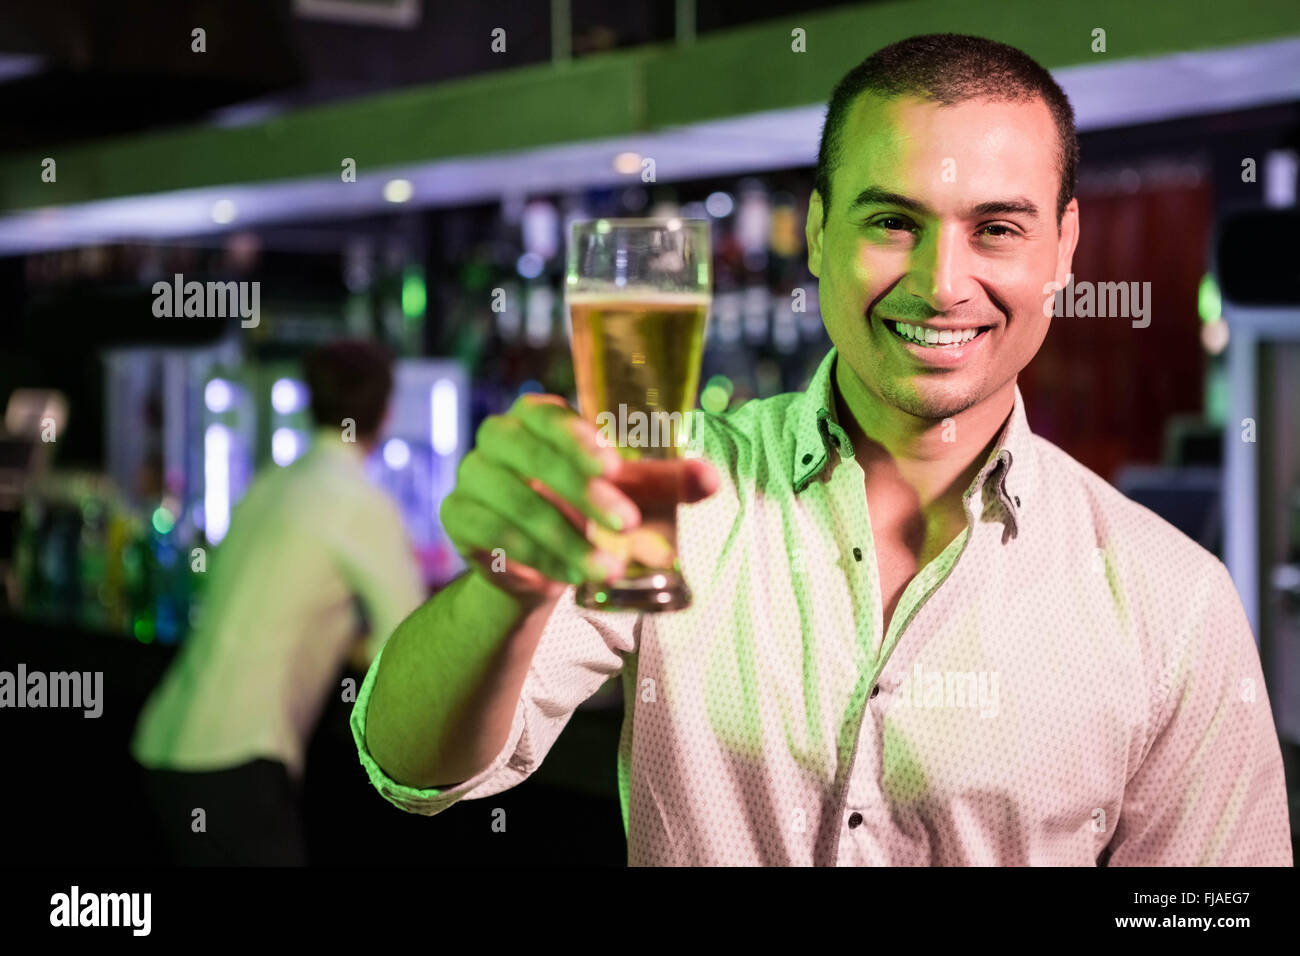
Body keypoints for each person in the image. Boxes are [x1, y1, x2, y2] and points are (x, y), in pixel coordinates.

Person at [352, 35, 1293, 865]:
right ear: (816, 234)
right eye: (893, 222)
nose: (942, 283)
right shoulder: (666, 494)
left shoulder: (1175, 600)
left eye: (997, 229)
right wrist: (506, 583)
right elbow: (412, 767)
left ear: (1063, 249)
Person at [132, 339, 425, 865]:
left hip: (163, 742)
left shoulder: (267, 486)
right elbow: (410, 647)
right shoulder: (361, 503)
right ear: (386, 413)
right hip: (236, 760)